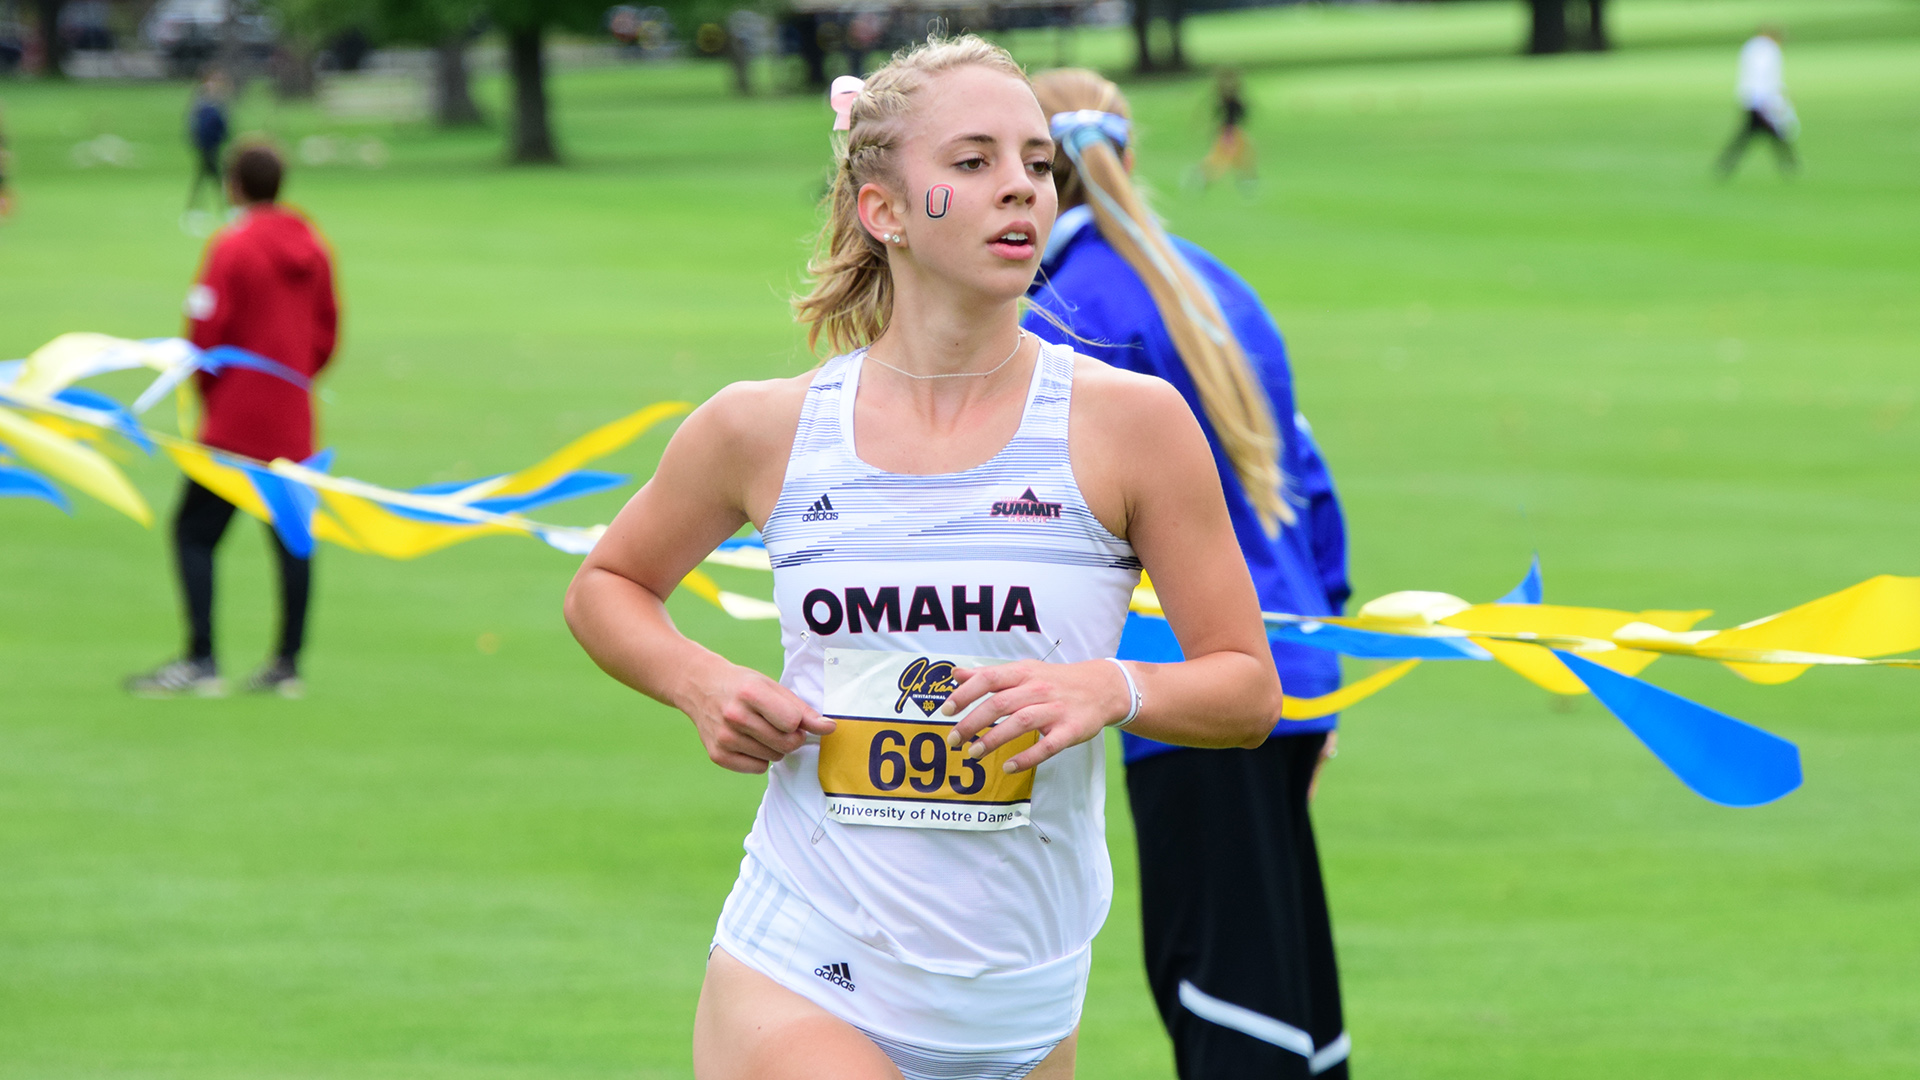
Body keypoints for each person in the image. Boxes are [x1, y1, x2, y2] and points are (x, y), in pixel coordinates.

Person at [563, 36, 1285, 1080]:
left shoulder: (1130, 426)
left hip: (1025, 1002)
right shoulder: (762, 432)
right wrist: (701, 682)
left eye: (1037, 164)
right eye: (974, 162)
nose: (1019, 192)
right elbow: (608, 586)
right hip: (806, 961)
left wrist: (1109, 687)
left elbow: (1247, 690)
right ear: (885, 211)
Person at [1025, 69, 1352, 1079]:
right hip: (1286, 660)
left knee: (1223, 999)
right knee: (1286, 992)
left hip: (1181, 680)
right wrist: (1321, 666)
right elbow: (1310, 488)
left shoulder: (1060, 314)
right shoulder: (1216, 282)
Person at [128, 143, 338, 699]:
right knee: (293, 538)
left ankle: (202, 660)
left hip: (235, 421)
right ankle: (287, 663)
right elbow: (327, 330)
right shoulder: (313, 246)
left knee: (192, 533)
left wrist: (214, 392)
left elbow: (204, 332)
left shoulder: (233, 246)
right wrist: (294, 379)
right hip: (292, 418)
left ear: (234, 185)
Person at [1717, 25, 1798, 177]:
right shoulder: (1770, 50)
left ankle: (1789, 164)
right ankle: (1790, 165)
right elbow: (1769, 78)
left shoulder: (1751, 47)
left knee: (1757, 135)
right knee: (1772, 133)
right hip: (1762, 100)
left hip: (1750, 98)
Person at [1195, 68, 1256, 192]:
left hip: (1233, 132)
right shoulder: (1229, 101)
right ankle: (1201, 176)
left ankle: (1247, 182)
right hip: (1230, 132)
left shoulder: (1230, 99)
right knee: (1222, 160)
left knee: (1242, 158)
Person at [185, 71, 231, 212]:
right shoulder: (201, 105)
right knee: (211, 174)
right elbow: (194, 125)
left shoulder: (218, 104)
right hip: (205, 144)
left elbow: (223, 124)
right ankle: (221, 206)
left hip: (214, 143)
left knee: (205, 175)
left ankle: (196, 206)